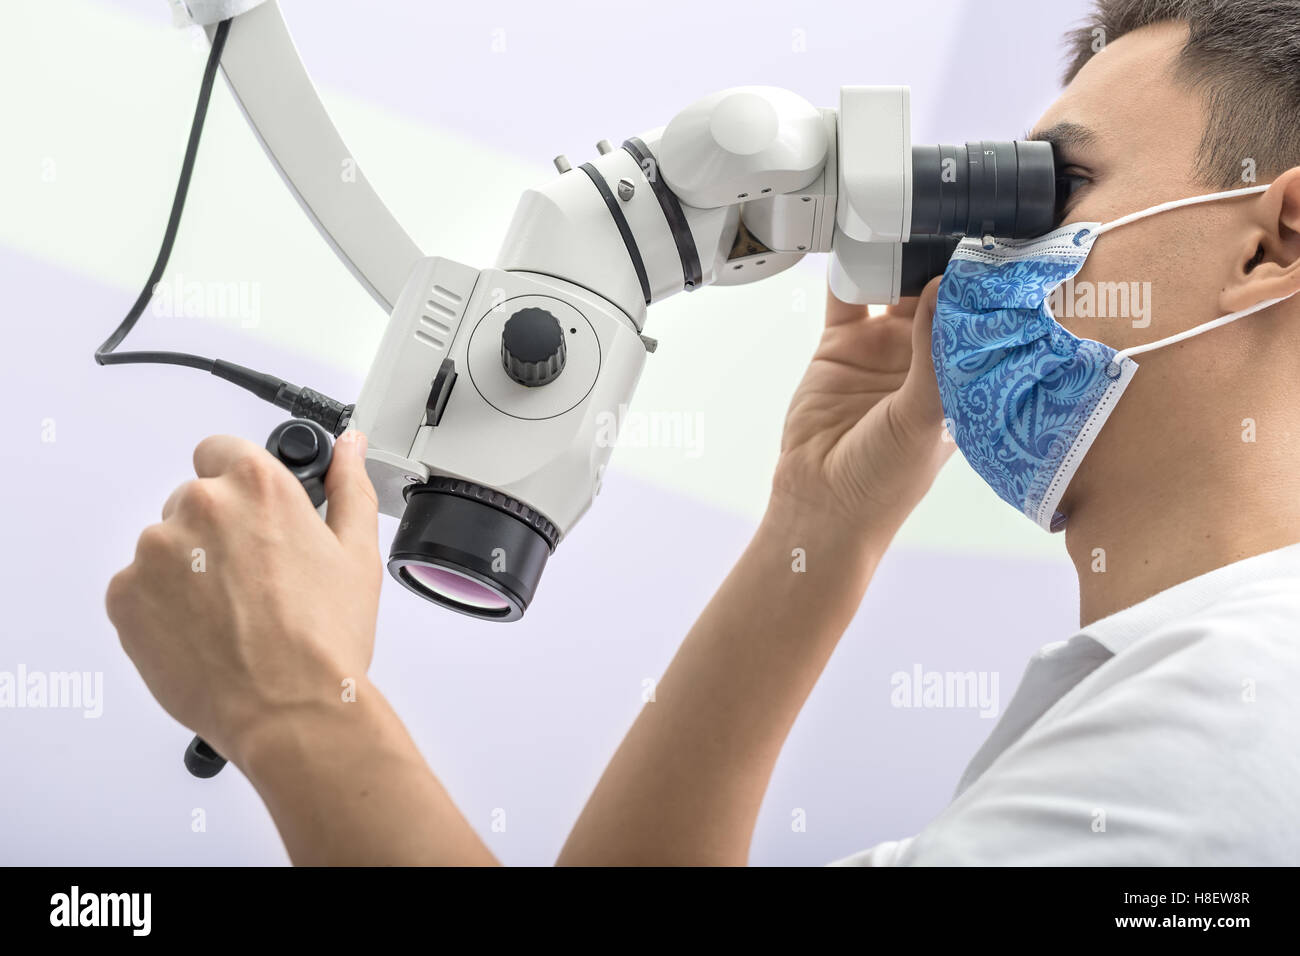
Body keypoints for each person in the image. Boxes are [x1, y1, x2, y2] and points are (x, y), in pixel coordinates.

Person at [105, 1, 1300, 865]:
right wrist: (816, 530)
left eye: (1050, 188)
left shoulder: (1233, 711)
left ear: (1271, 241)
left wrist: (296, 704)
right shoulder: (1171, 698)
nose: (977, 253)